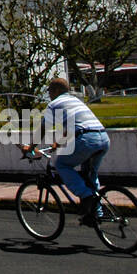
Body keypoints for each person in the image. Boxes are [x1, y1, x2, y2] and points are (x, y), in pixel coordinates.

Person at [42, 77, 109, 224]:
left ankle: (86, 196)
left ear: (57, 91)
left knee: (62, 165)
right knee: (90, 174)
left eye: (50, 91)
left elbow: (42, 128)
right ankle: (95, 213)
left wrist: (32, 147)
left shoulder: (54, 104)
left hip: (87, 140)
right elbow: (74, 127)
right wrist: (57, 143)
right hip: (103, 138)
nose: (49, 94)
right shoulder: (77, 101)